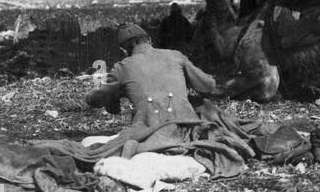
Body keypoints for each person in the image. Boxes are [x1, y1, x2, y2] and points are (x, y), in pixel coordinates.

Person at [86, 23, 222, 128]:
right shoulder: (175, 55)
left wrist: (96, 95)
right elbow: (208, 85)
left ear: (123, 49)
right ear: (149, 40)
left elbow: (96, 99)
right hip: (188, 123)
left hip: (151, 127)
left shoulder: (122, 67)